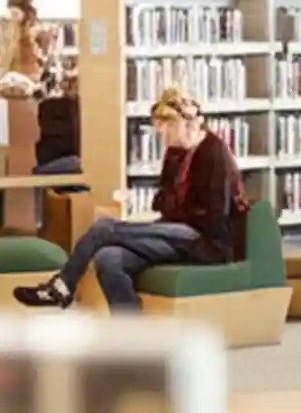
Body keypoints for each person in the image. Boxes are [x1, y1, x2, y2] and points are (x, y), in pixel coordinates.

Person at [12, 86, 248, 311]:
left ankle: (61, 287)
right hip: (178, 232)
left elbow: (213, 217)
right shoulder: (176, 153)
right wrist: (172, 212)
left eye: (166, 126)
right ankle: (132, 334)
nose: (161, 133)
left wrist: (174, 213)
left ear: (186, 123)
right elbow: (161, 202)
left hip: (206, 242)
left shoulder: (214, 153)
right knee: (109, 258)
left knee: (104, 229)